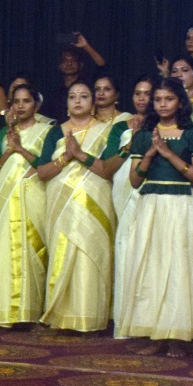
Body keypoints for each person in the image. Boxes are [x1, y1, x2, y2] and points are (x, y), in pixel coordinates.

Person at [118, 78, 193, 356]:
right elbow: (134, 180)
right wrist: (149, 154)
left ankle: (179, 336)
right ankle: (155, 334)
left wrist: (168, 154)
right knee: (152, 266)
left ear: (180, 101)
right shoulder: (144, 135)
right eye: (158, 100)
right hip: (151, 205)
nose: (162, 105)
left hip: (181, 204)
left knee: (180, 266)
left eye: (168, 99)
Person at [33, 82, 126, 333]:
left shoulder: (108, 131)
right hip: (61, 201)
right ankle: (58, 315)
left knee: (90, 255)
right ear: (66, 103)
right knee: (62, 254)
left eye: (84, 96)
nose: (78, 101)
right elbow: (42, 172)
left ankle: (91, 317)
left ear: (93, 102)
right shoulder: (56, 132)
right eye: (72, 96)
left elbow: (109, 167)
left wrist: (81, 155)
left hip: (95, 199)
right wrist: (67, 156)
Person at [0, 83, 49, 327]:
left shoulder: (47, 131)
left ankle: (30, 312)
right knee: (4, 247)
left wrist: (20, 149)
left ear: (36, 104)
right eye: (16, 101)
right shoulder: (2, 134)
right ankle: (1, 311)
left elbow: (47, 165)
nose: (20, 106)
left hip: (33, 193)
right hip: (5, 193)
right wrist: (9, 150)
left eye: (26, 101)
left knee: (31, 249)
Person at [109, 75, 155, 330]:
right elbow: (108, 166)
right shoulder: (120, 127)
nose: (141, 98)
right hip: (124, 187)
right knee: (127, 248)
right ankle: (126, 322)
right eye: (137, 93)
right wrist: (132, 141)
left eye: (147, 93)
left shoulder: (164, 125)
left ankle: (148, 321)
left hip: (149, 191)